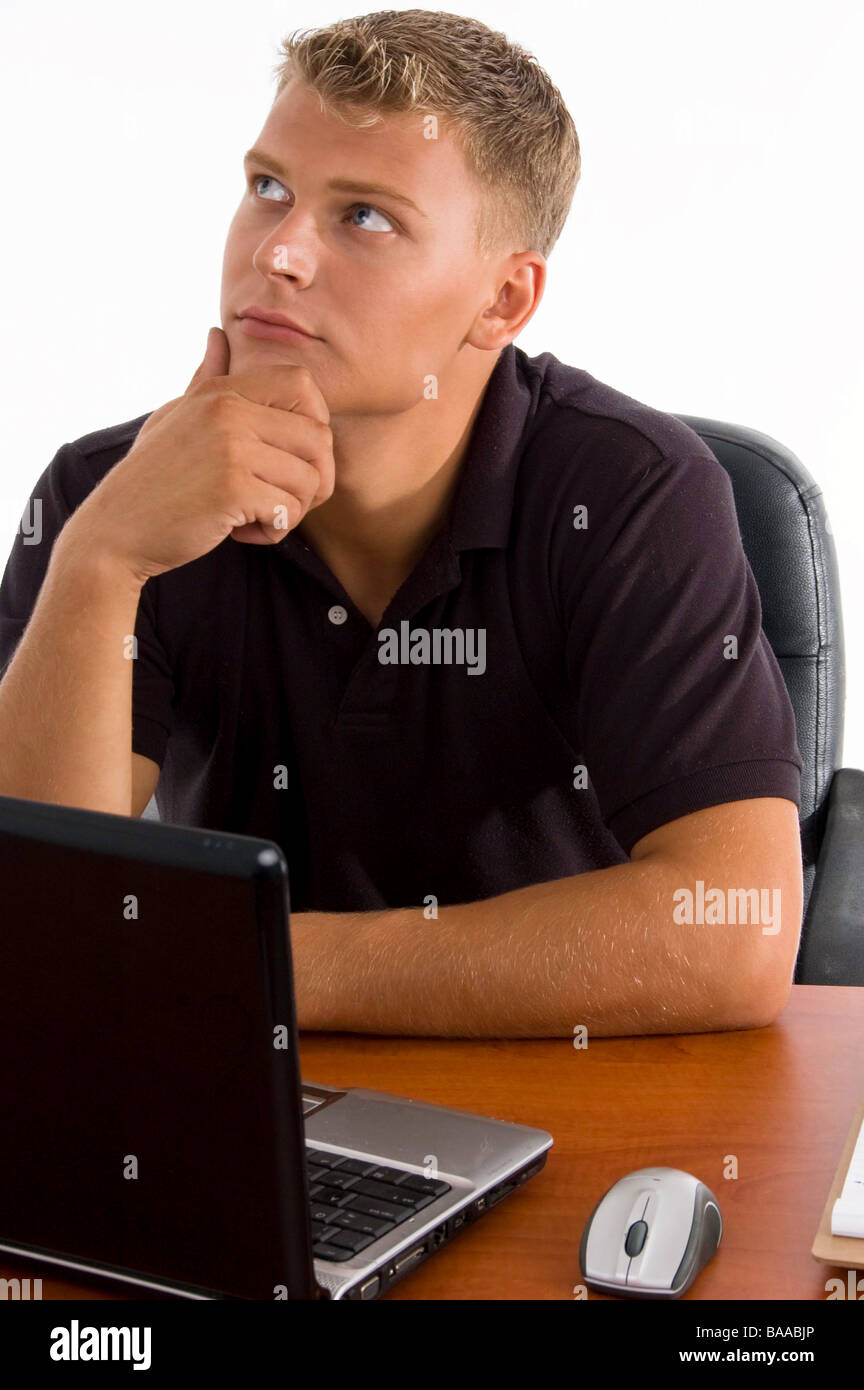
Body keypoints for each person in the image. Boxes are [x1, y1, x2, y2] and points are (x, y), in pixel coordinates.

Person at [0, 11, 803, 1038]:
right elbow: (35, 934)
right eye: (268, 189)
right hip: (253, 1097)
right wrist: (102, 559)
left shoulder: (633, 492)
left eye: (365, 217)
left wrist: (258, 961)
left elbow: (735, 932)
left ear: (503, 300)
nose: (280, 253)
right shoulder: (113, 496)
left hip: (569, 1090)